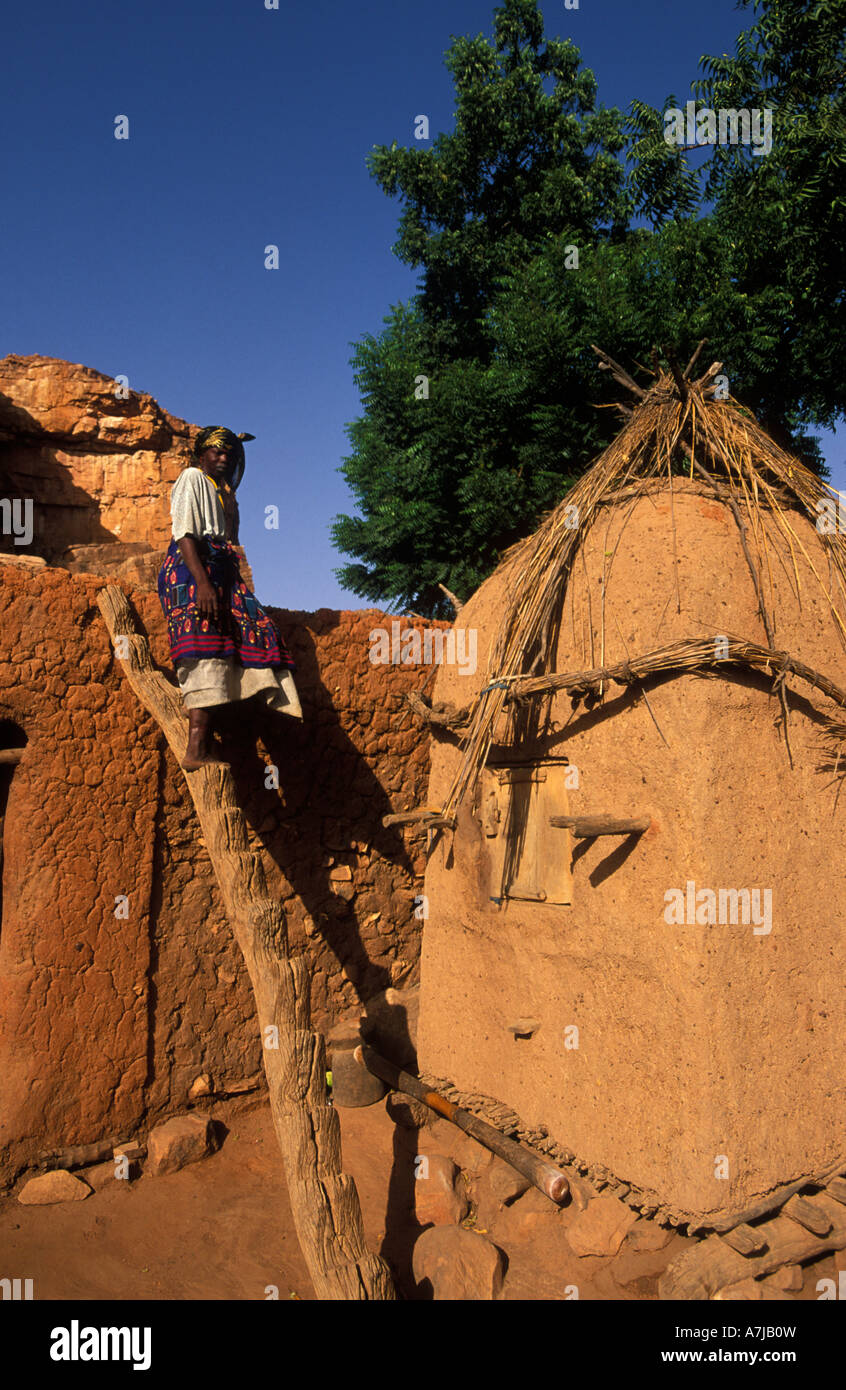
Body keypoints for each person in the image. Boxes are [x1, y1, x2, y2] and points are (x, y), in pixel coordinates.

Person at [157, 426, 302, 770]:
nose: (224, 459)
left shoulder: (219, 492)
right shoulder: (191, 478)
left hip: (218, 570)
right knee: (204, 647)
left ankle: (246, 710)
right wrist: (203, 583)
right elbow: (185, 535)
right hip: (194, 570)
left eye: (230, 455)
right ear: (201, 454)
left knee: (250, 631)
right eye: (217, 452)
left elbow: (228, 539)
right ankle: (196, 749)